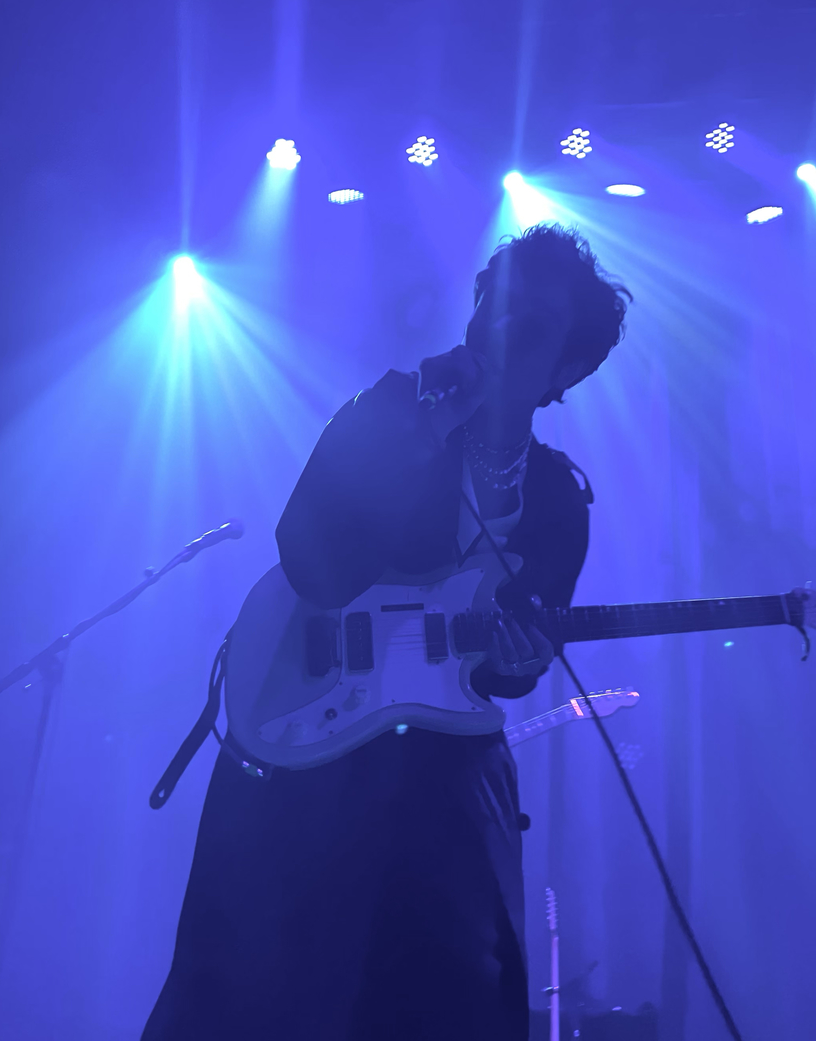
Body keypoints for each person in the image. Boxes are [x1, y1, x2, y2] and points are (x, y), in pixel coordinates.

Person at [144, 223, 630, 1040]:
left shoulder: (556, 498)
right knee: (261, 988)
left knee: (446, 991)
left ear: (566, 369)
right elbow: (311, 562)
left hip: (446, 778)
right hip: (303, 758)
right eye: (496, 299)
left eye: (535, 322)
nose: (505, 324)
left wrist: (522, 655)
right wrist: (420, 431)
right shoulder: (388, 411)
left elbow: (513, 668)